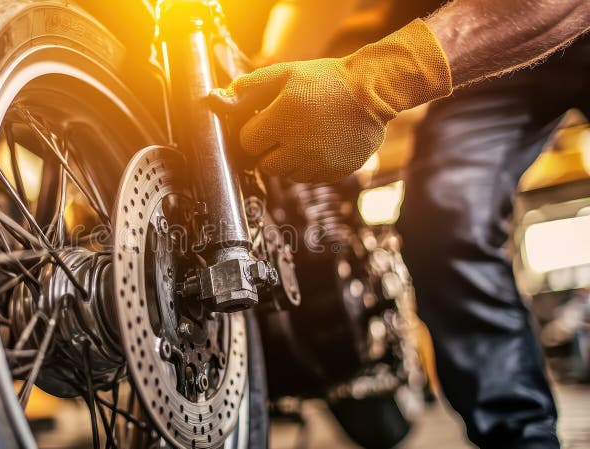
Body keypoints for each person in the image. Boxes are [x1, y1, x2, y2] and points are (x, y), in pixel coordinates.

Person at [211, 1, 590, 448]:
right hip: (493, 58)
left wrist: (369, 84)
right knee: (446, 220)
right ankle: (522, 442)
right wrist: (264, 78)